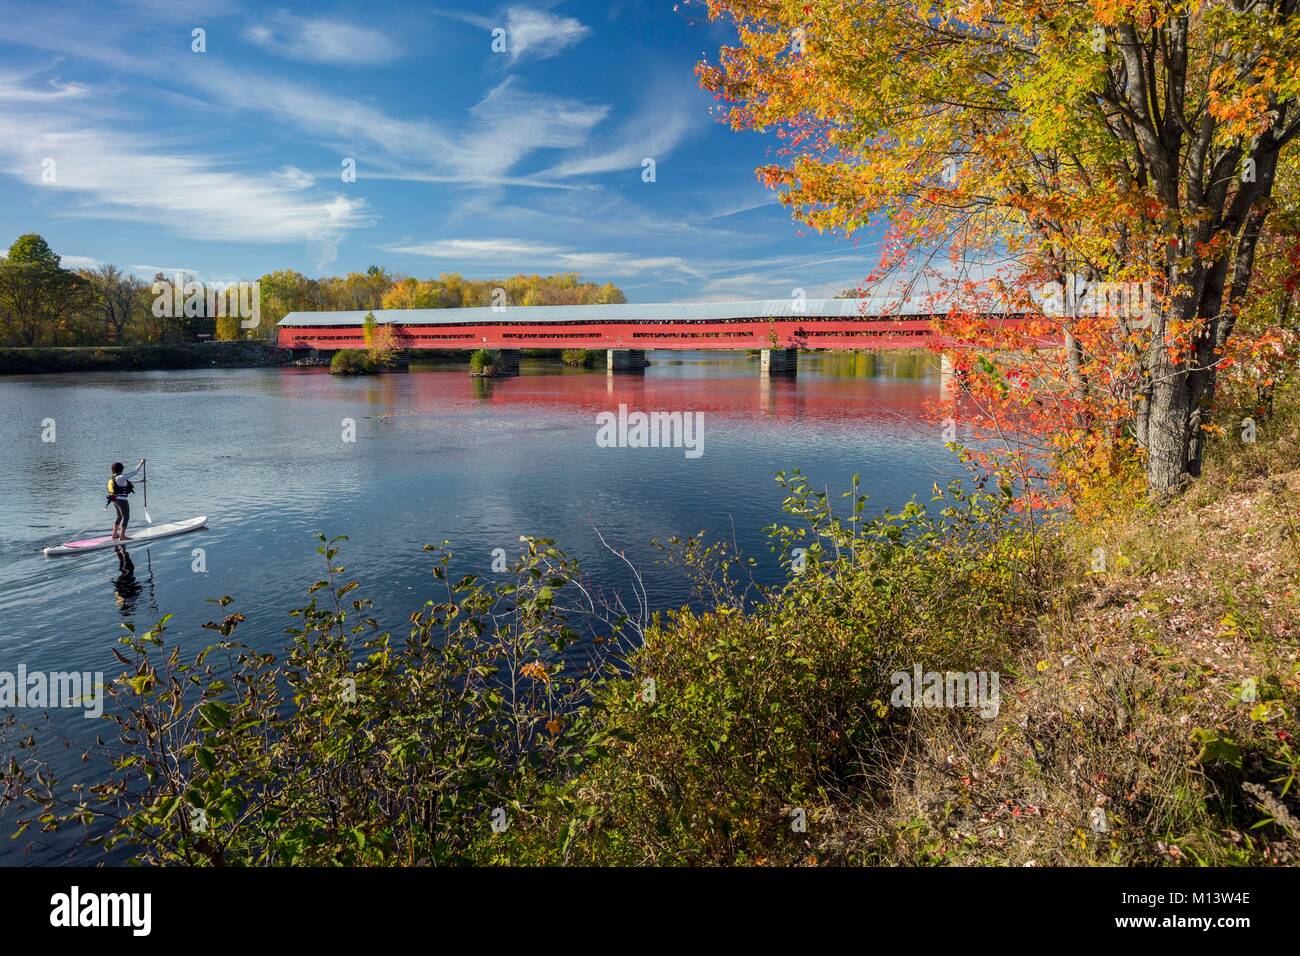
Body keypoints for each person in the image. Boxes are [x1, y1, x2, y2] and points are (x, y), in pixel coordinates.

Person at [107, 459, 145, 540]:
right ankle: (122, 536)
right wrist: (141, 463)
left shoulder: (113, 478)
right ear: (121, 469)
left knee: (119, 517)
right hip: (122, 500)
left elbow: (125, 483)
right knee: (126, 517)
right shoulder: (121, 477)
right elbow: (134, 472)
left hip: (114, 500)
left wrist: (139, 481)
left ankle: (114, 535)